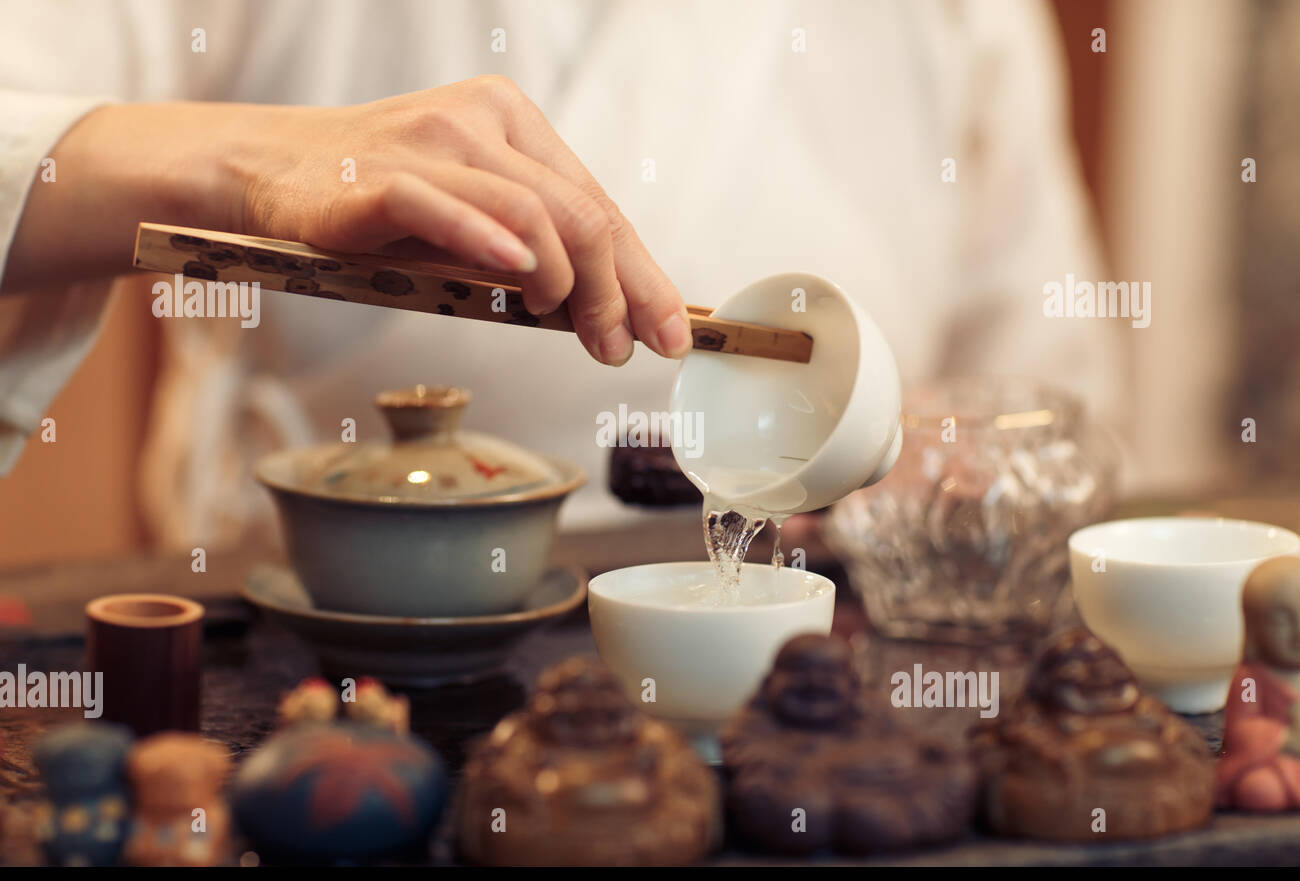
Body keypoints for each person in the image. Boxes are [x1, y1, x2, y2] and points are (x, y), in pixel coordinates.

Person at [0, 0, 1114, 547]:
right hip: (331, 661)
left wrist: (928, 469)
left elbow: (1044, 411)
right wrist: (243, 164)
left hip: (812, 680)